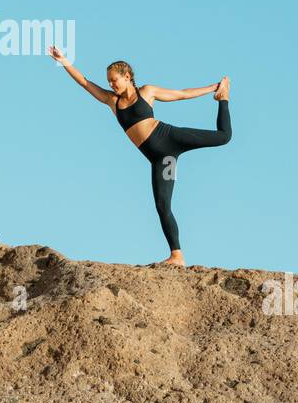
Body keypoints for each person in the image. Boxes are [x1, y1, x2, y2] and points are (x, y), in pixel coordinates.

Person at [48, 46, 231, 266]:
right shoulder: (112, 101)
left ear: (127, 77)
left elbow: (181, 94)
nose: (111, 85)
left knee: (224, 137)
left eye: (114, 80)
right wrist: (64, 61)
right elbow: (85, 83)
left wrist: (214, 88)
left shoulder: (147, 92)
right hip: (163, 159)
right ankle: (177, 255)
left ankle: (224, 98)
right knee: (163, 205)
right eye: (108, 82)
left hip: (171, 139)